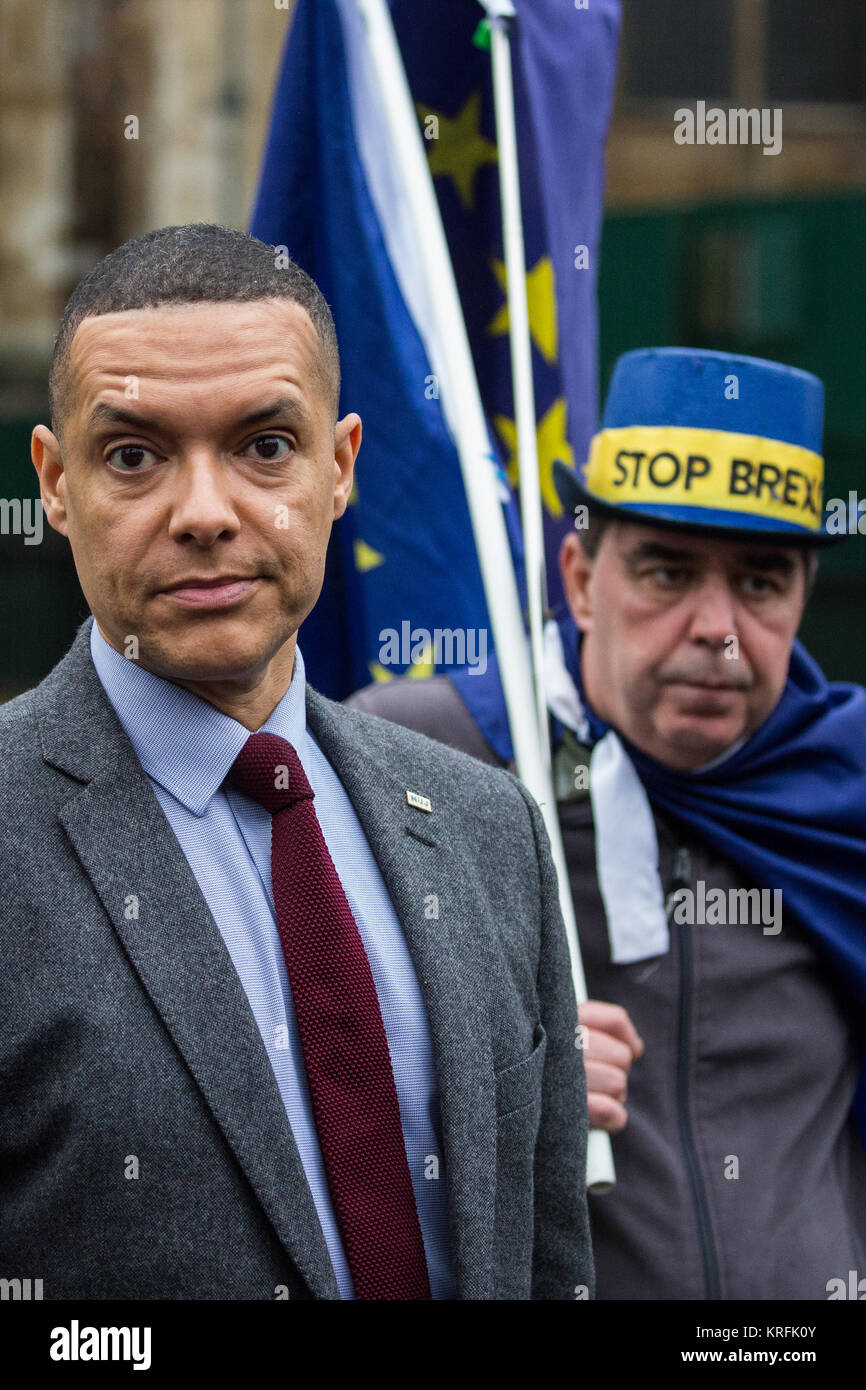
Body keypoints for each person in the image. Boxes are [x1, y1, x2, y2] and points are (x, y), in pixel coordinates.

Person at [0, 222, 593, 1302]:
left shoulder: (485, 826)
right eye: (132, 454)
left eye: (264, 445)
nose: (205, 513)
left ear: (339, 466)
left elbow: (547, 1262)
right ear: (52, 481)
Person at [349, 347, 866, 1300]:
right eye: (668, 573)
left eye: (760, 583)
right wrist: (484, 1073)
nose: (717, 630)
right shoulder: (413, 756)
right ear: (581, 580)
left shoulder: (845, 783)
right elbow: (296, 1067)